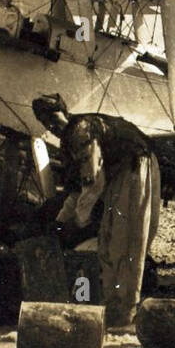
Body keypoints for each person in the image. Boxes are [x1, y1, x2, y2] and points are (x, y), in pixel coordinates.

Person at [31, 93, 160, 329]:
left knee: (125, 239)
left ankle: (124, 310)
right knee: (116, 239)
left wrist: (78, 221)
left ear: (64, 112)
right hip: (124, 172)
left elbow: (93, 182)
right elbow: (75, 190)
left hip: (134, 167)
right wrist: (60, 221)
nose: (51, 125)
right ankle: (118, 305)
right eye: (44, 121)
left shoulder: (81, 130)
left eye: (53, 117)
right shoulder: (69, 141)